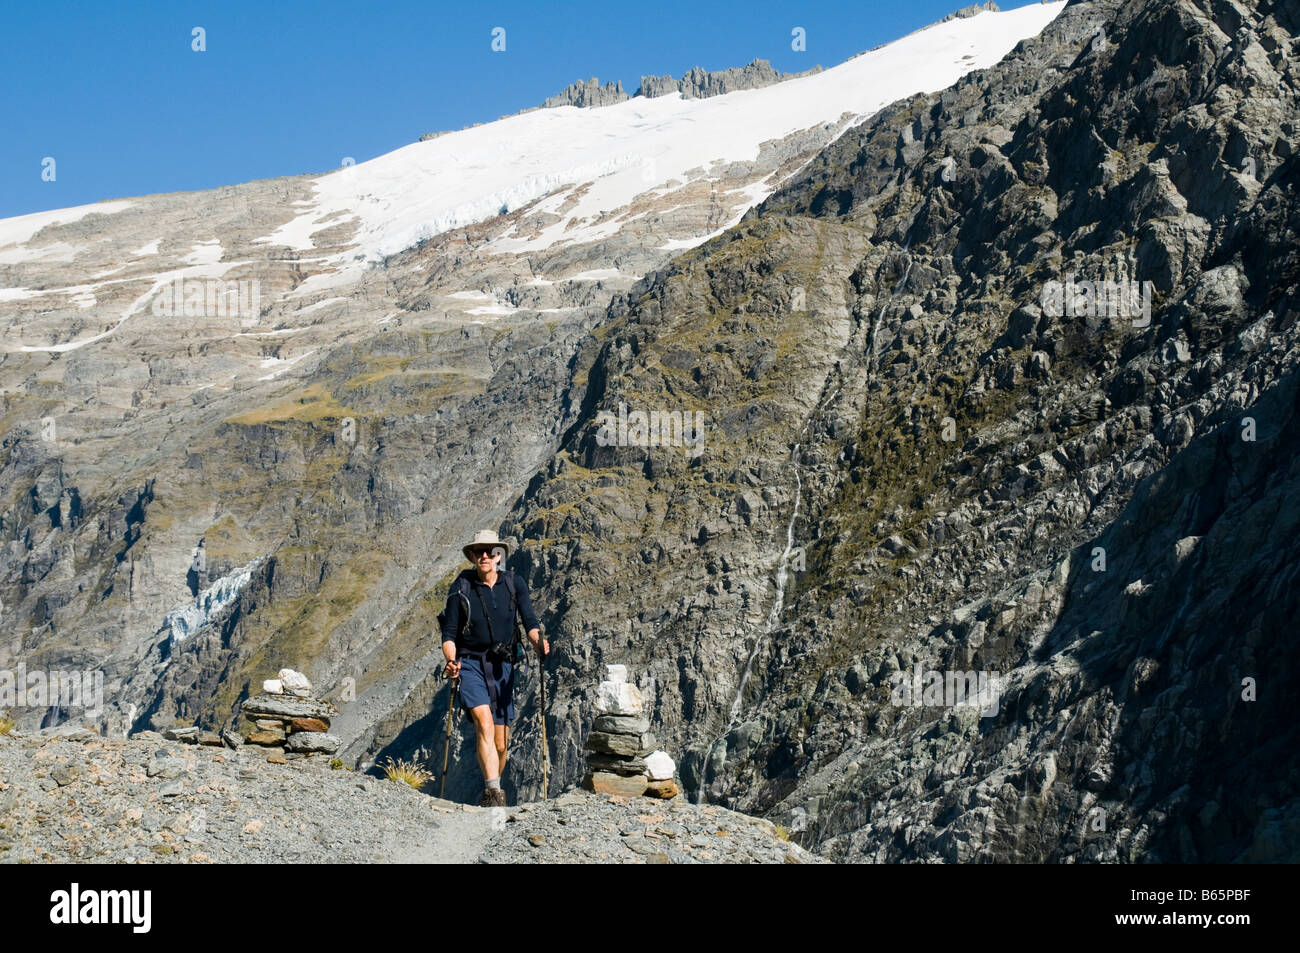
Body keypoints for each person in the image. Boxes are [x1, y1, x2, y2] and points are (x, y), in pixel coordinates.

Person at [440, 530, 548, 807]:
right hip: (470, 664)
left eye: (489, 551)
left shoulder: (513, 583)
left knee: (501, 744)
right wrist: (451, 661)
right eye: (479, 552)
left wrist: (538, 642)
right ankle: (493, 793)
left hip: (503, 667)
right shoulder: (462, 586)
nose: (484, 556)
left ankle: (492, 789)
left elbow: (529, 619)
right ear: (473, 557)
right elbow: (449, 633)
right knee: (484, 725)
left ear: (499, 555)